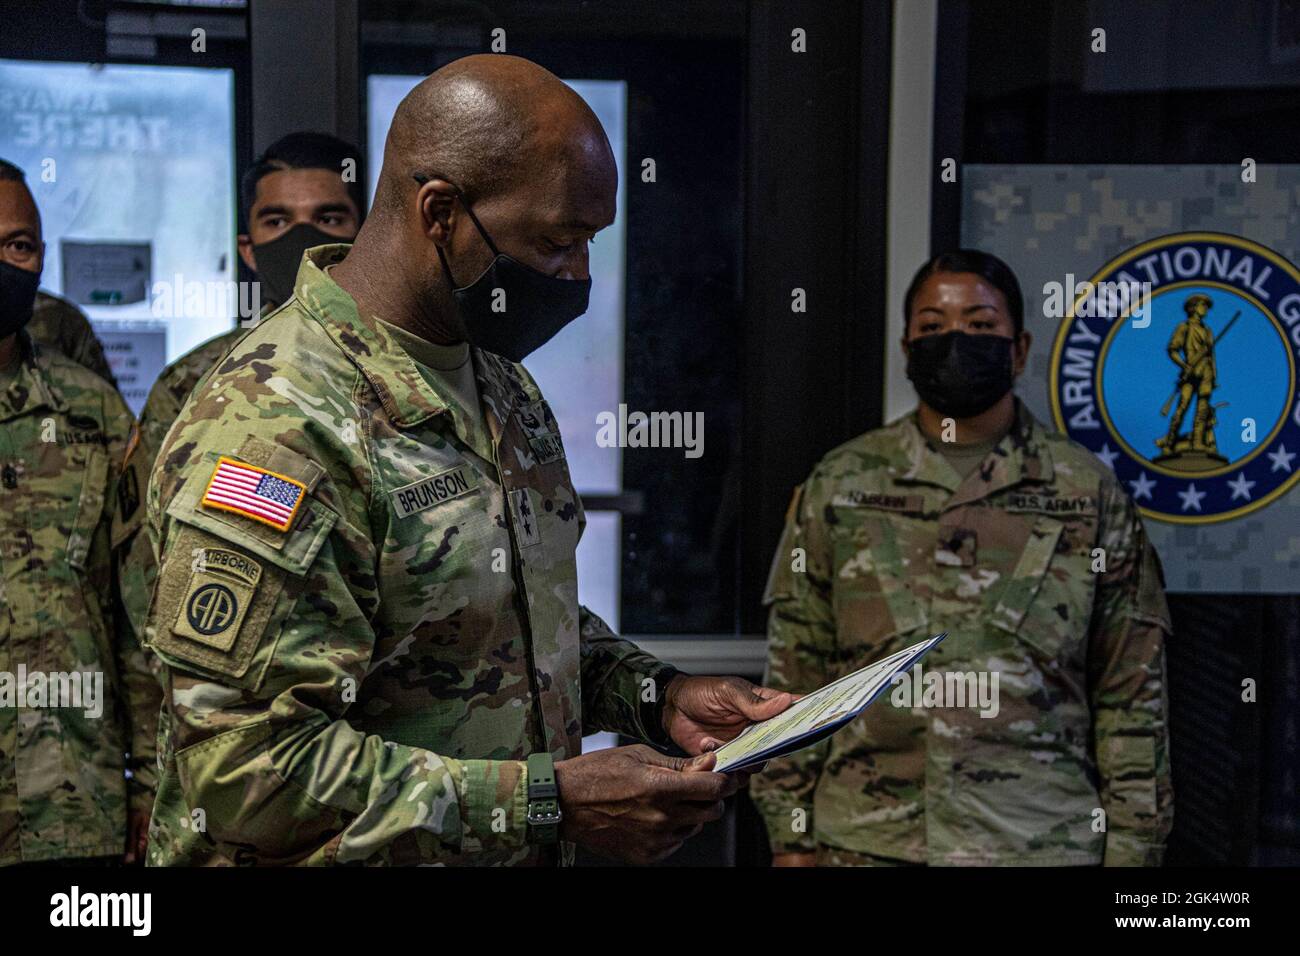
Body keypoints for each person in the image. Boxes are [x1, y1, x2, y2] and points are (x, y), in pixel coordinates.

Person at [141, 54, 792, 867]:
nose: (579, 275)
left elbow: (500, 628)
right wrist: (548, 801)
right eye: (558, 242)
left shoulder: (500, 384)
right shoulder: (276, 422)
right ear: (440, 211)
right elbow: (243, 774)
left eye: (590, 243)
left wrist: (658, 698)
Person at [751, 250, 1173, 867]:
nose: (955, 341)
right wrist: (790, 838)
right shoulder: (842, 484)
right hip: (867, 843)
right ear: (906, 346)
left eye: (980, 326)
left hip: (1039, 842)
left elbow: (1132, 695)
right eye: (933, 327)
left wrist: (1135, 854)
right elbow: (797, 674)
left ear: (1020, 349)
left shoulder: (1085, 493)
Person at [122, 132, 366, 641]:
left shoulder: (418, 369)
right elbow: (149, 563)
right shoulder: (195, 382)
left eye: (329, 219)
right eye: (277, 221)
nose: (304, 239)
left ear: (365, 235)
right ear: (248, 249)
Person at [0, 158, 158, 865]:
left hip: (68, 805)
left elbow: (139, 615)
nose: (5, 262)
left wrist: (150, 782)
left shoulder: (89, 411)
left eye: (19, 244)